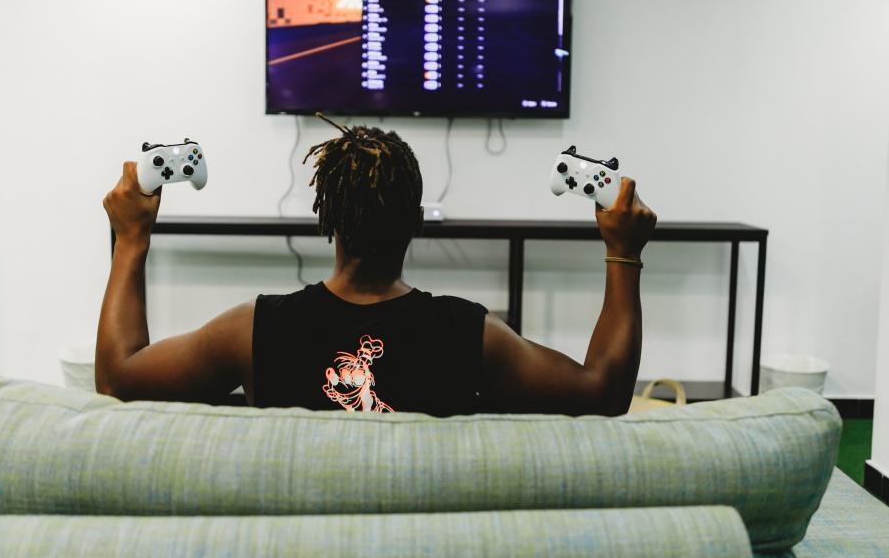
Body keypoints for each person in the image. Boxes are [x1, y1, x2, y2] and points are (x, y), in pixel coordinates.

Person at [96, 122, 656, 416]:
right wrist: (624, 252)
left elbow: (116, 380)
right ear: (416, 221)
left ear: (327, 218)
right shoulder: (471, 334)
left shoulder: (251, 329)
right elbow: (604, 394)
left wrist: (131, 237)